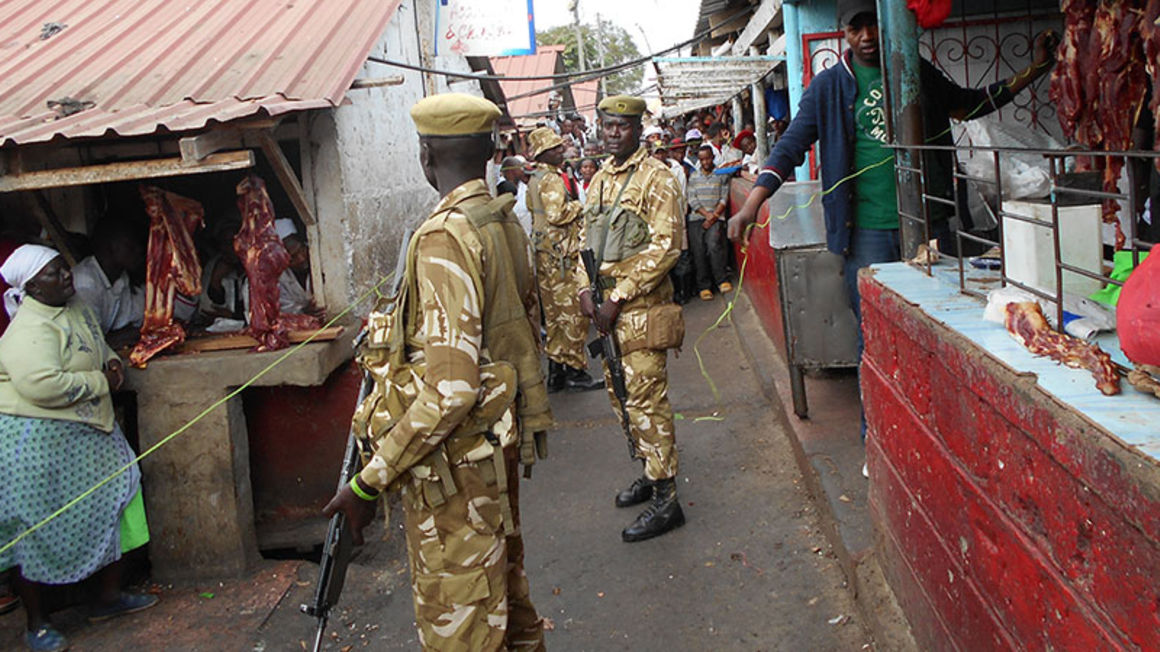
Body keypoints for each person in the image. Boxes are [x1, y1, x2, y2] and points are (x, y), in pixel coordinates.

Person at [726, 0, 1056, 449]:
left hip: (928, 229)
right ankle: (878, 440)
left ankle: (934, 439)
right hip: (865, 234)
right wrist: (752, 205)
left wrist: (1036, 69)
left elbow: (968, 106)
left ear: (887, 25)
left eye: (874, 25)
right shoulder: (828, 87)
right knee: (876, 338)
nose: (867, 36)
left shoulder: (915, 71)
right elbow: (790, 148)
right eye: (856, 28)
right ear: (844, 33)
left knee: (936, 334)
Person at [323, 93, 552, 650]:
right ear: (490, 152)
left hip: (456, 472)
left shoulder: (446, 235)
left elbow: (451, 390)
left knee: (464, 625)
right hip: (490, 453)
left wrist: (368, 483)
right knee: (507, 604)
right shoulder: (500, 221)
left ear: (425, 155)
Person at [0, 245, 157, 652]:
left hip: (89, 430)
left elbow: (97, 346)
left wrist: (113, 363)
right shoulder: (29, 328)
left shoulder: (78, 308)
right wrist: (100, 382)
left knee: (119, 496)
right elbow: (42, 385)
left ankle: (107, 595)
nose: (66, 276)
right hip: (38, 438)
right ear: (33, 287)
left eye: (64, 268)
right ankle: (37, 623)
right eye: (53, 273)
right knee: (34, 526)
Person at [576, 95, 686, 542]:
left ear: (639, 129)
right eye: (607, 125)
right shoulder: (600, 180)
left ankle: (667, 498)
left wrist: (618, 296)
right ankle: (648, 470)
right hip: (607, 312)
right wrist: (584, 290)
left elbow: (666, 247)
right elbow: (585, 241)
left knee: (646, 401)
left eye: (622, 126)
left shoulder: (657, 177)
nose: (613, 133)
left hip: (639, 310)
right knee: (621, 398)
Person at [525, 127, 603, 393]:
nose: (562, 151)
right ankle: (574, 371)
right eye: (555, 148)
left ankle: (557, 372)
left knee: (555, 317)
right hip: (561, 258)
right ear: (544, 153)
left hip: (546, 255)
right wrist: (582, 206)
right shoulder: (551, 179)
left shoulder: (535, 178)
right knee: (572, 315)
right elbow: (557, 215)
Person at [71, 219, 146, 348]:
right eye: (130, 246)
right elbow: (90, 342)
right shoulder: (85, 283)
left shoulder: (121, 277)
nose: (138, 250)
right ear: (110, 247)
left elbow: (134, 322)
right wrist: (116, 337)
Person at [687, 145, 733, 300]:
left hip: (716, 216)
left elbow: (724, 197)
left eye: (707, 158)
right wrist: (706, 215)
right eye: (702, 159)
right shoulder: (694, 177)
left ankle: (721, 279)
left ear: (712, 157)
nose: (705, 162)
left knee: (714, 246)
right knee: (699, 250)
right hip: (697, 217)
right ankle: (704, 286)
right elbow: (692, 199)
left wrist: (714, 216)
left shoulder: (721, 175)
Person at [271, 218, 322, 318]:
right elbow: (281, 312)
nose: (301, 258)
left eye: (301, 250)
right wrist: (302, 312)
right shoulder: (278, 279)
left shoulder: (321, 259)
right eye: (293, 257)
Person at [497, 155, 533, 235]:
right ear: (511, 171)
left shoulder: (525, 186)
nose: (523, 171)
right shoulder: (501, 188)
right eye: (520, 168)